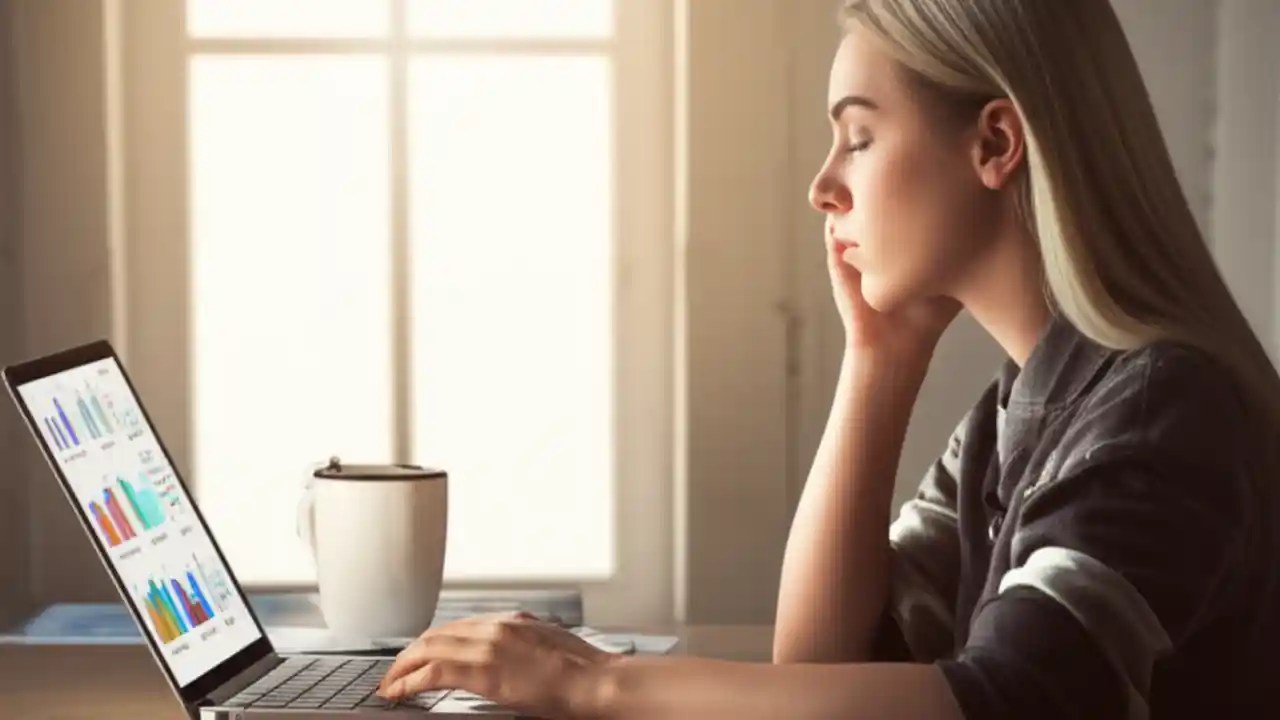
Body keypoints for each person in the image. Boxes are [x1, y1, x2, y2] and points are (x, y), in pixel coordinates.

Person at [375, 1, 1280, 717]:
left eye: (859, 135)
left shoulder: (1162, 408)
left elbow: (1012, 702)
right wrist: (879, 363)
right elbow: (819, 667)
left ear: (995, 144)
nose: (823, 186)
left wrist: (594, 685)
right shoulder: (1024, 411)